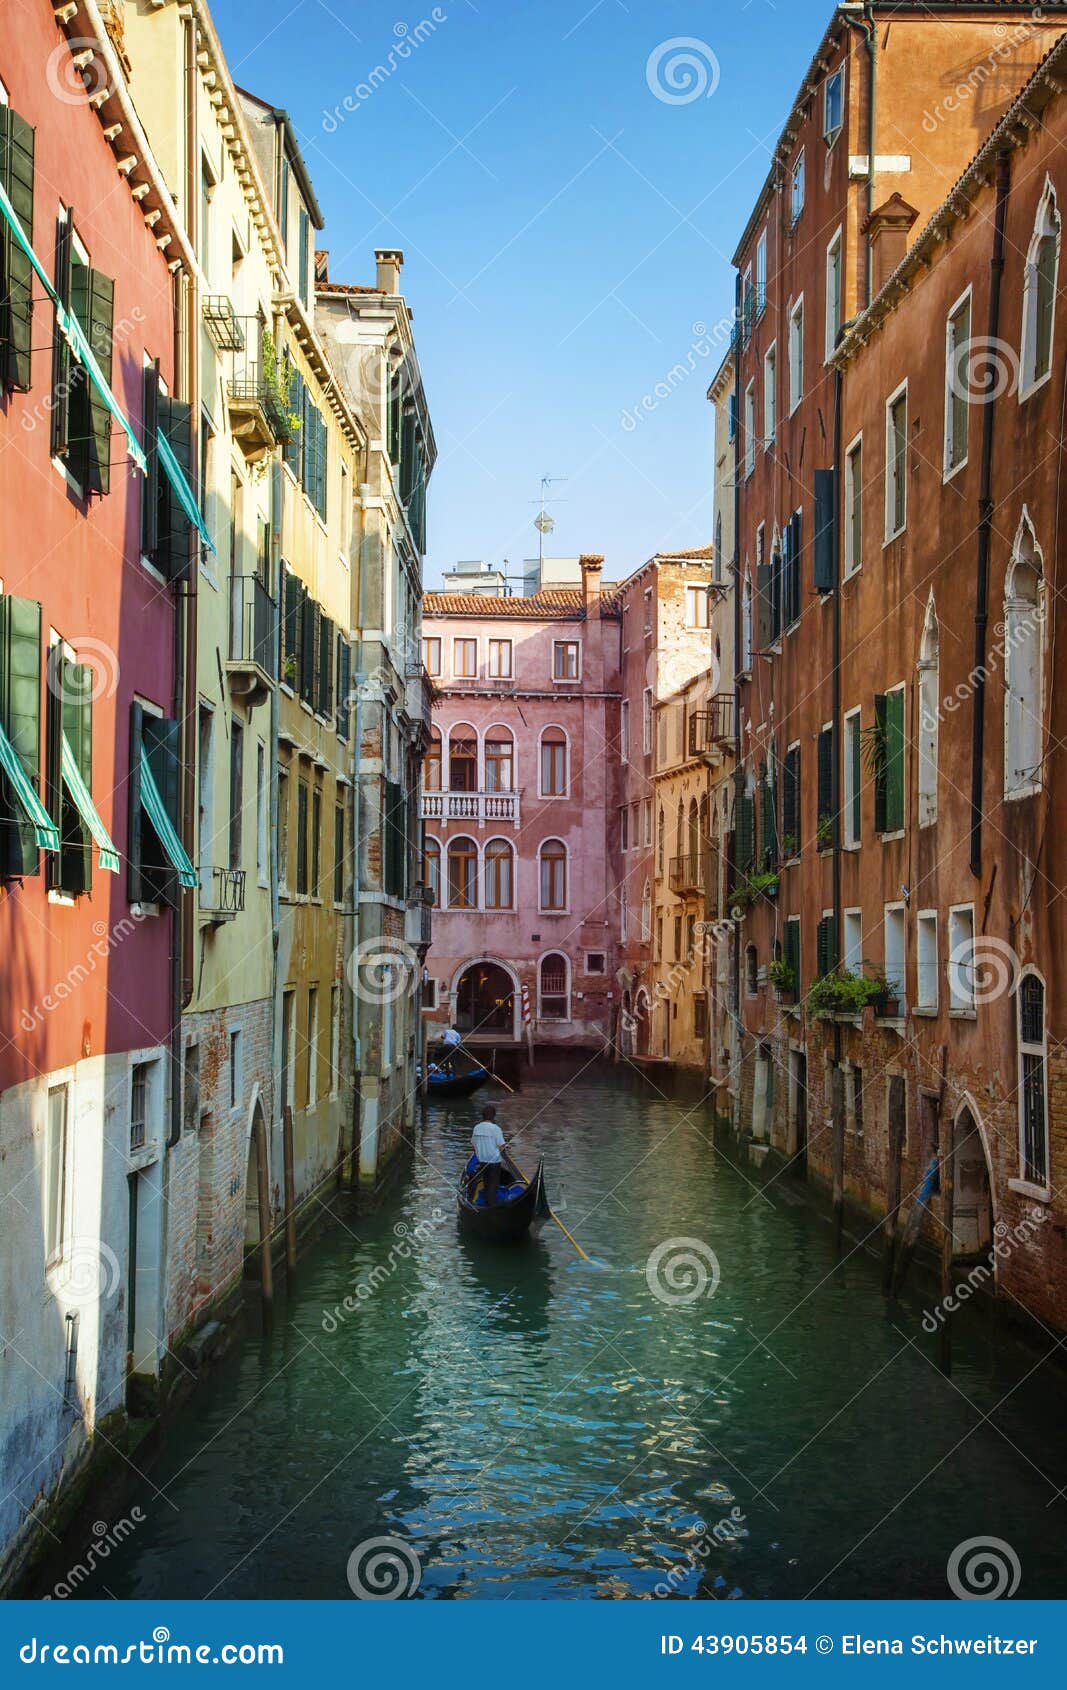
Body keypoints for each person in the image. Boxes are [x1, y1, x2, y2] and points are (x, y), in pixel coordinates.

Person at [471, 1104, 507, 1206]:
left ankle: (488, 1203)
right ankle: (492, 1207)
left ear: (483, 1116)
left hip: (482, 1161)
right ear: (493, 1116)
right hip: (494, 1162)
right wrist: (505, 1147)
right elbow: (501, 1147)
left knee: (487, 1184)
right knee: (493, 1187)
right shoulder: (496, 1129)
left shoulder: (476, 1128)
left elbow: (474, 1145)